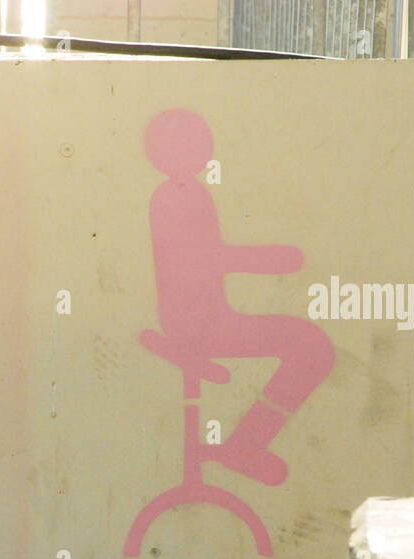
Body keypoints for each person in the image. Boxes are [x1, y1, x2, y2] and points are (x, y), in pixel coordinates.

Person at [142, 108, 333, 486]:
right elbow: (203, 258)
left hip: (204, 318)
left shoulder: (184, 195)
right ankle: (244, 446)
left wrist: (269, 258)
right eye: (194, 144)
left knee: (311, 345)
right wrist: (273, 258)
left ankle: (244, 445)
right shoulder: (175, 198)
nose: (201, 151)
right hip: (199, 325)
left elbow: (208, 257)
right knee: (310, 346)